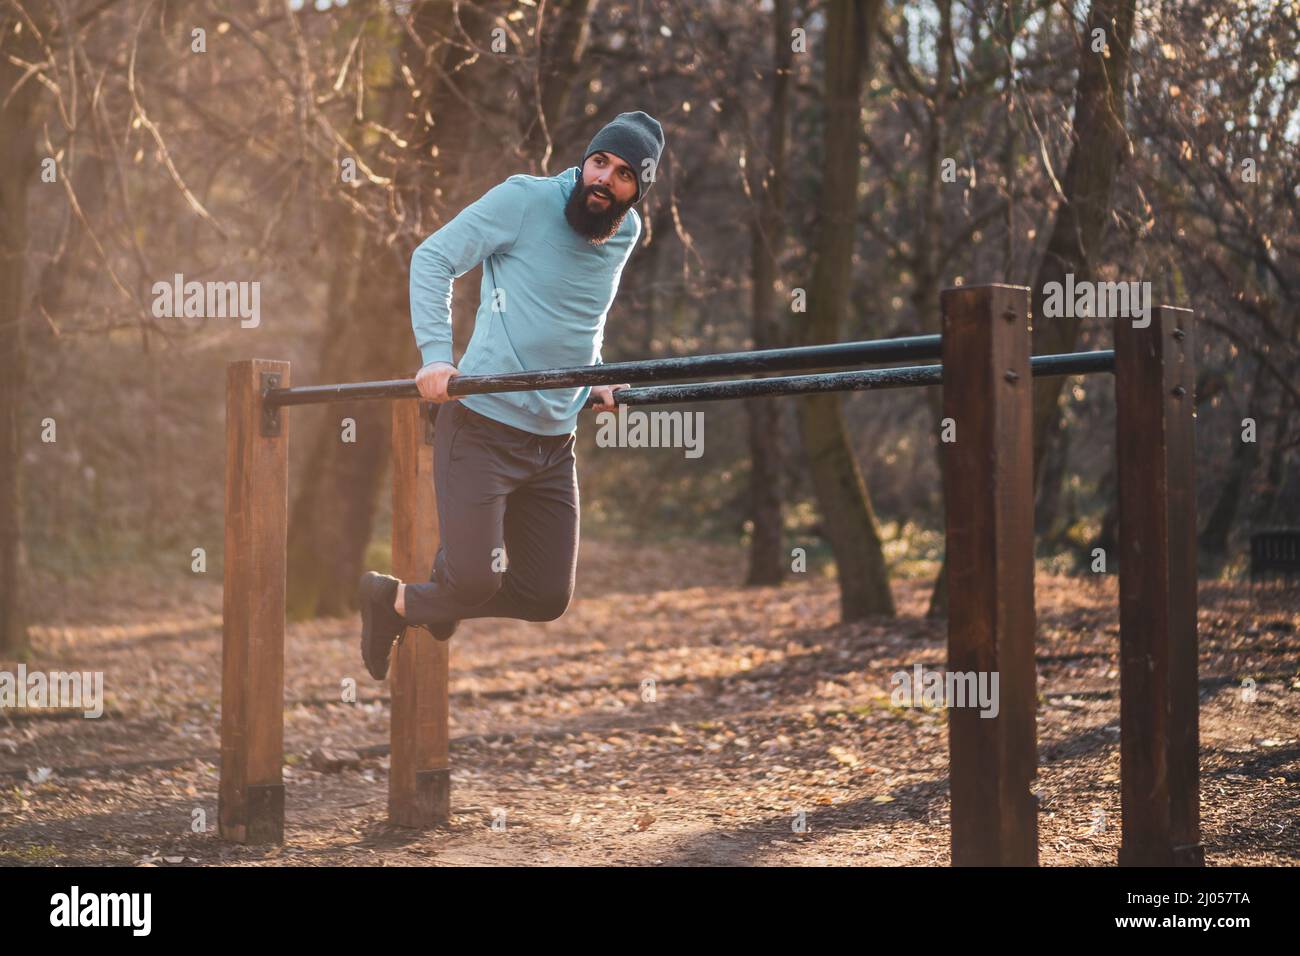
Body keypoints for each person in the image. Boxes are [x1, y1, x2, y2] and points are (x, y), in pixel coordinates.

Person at [357, 111, 665, 680]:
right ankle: (436, 591)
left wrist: (594, 373)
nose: (605, 179)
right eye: (599, 162)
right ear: (584, 160)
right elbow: (433, 258)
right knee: (476, 580)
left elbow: (581, 318)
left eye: (624, 175)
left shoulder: (626, 231)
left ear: (638, 192)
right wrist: (436, 357)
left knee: (547, 596)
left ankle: (410, 602)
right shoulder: (524, 200)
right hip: (482, 426)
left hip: (554, 440)